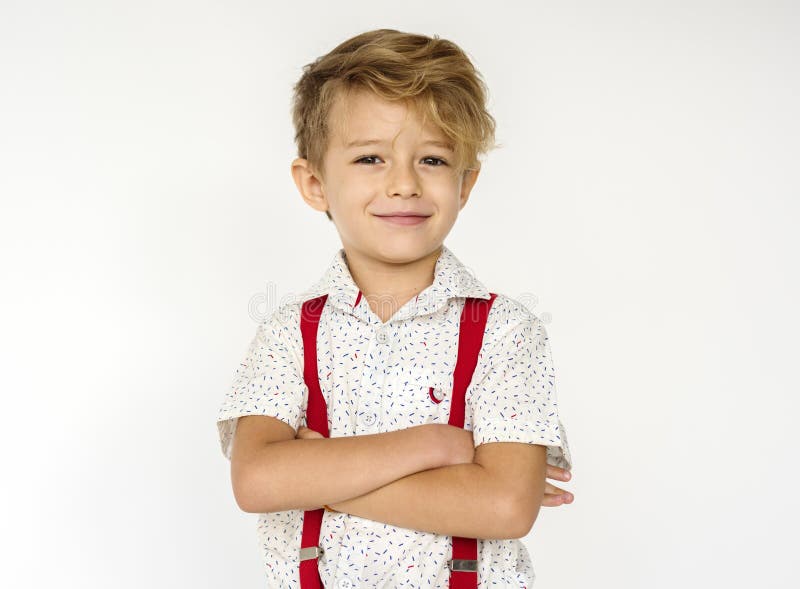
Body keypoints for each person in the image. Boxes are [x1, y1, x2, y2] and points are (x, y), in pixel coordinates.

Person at [216, 28, 574, 588]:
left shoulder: (506, 331)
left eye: (432, 158)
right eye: (370, 158)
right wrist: (432, 446)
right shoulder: (289, 331)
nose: (403, 183)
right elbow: (258, 480)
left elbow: (504, 506)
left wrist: (319, 475)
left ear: (465, 183)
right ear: (314, 183)